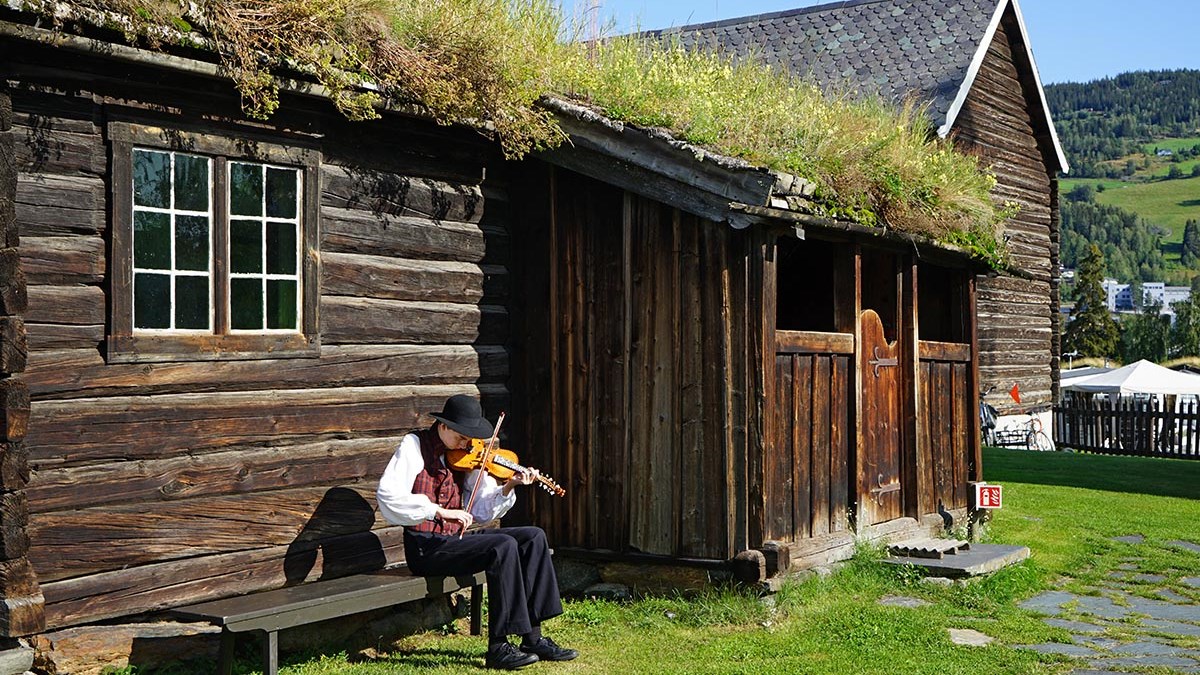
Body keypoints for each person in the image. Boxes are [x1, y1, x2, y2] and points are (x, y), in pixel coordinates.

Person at [376, 394, 577, 670]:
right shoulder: (414, 446)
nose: (467, 443)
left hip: (453, 541)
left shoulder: (467, 456)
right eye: (461, 436)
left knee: (533, 537)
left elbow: (481, 509)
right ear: (443, 427)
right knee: (502, 546)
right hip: (425, 547)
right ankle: (498, 647)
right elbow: (388, 496)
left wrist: (508, 487)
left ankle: (533, 637)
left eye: (470, 438)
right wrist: (437, 511)